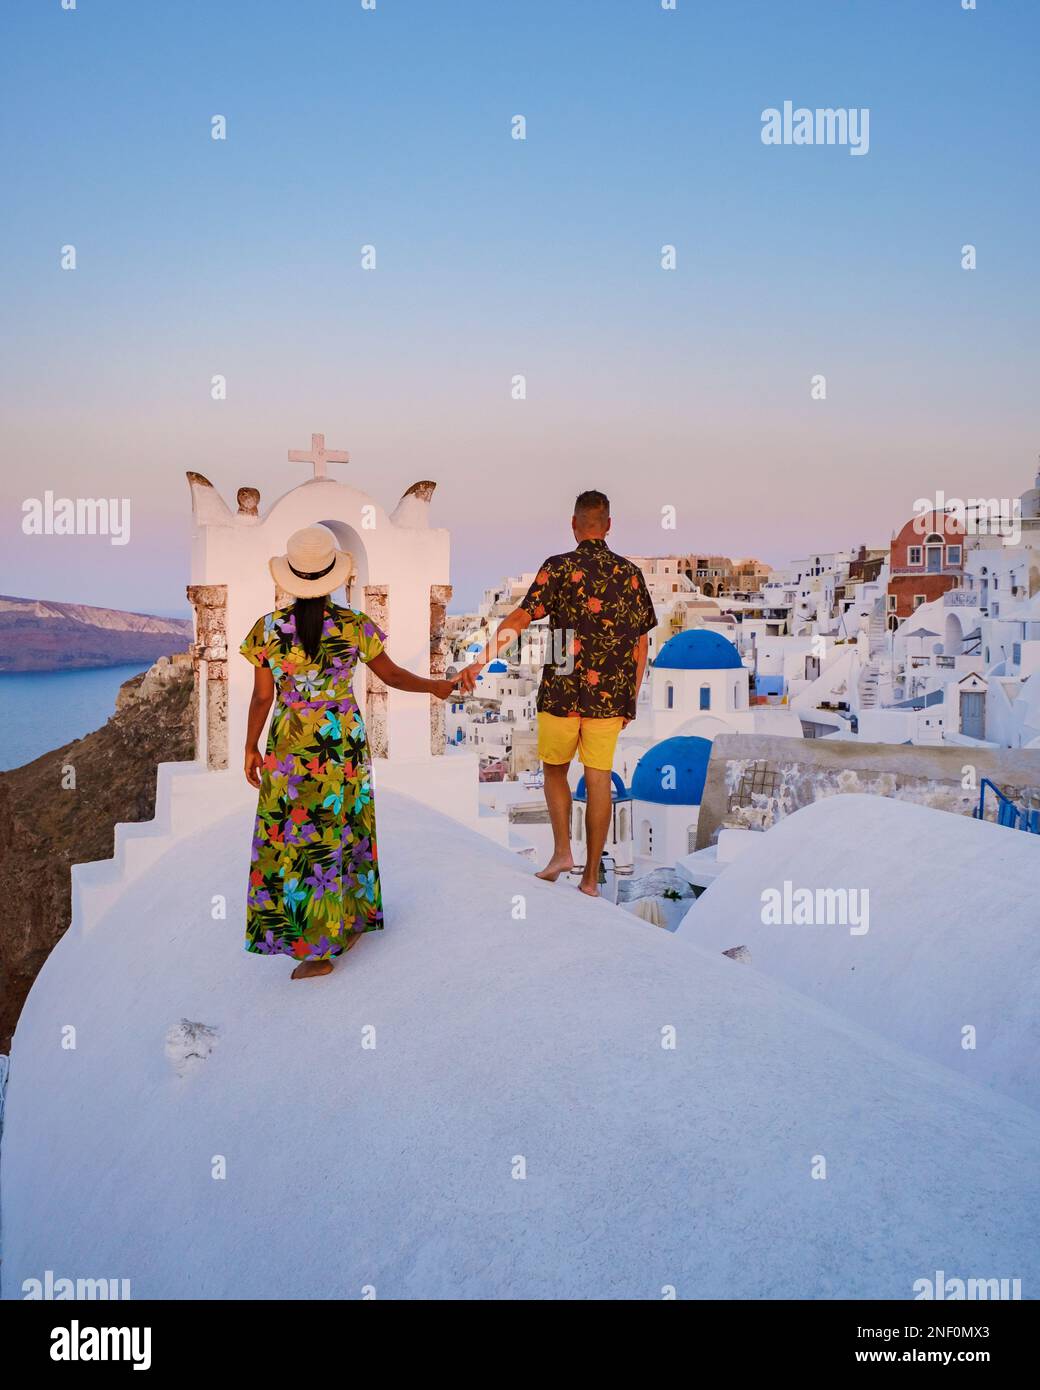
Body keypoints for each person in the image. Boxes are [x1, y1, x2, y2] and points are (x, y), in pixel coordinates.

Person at [241, 525, 459, 979]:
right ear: (333, 576)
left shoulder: (268, 630)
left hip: (289, 743)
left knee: (296, 838)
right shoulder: (354, 626)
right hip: (341, 742)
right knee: (344, 825)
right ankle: (353, 918)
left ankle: (317, 950)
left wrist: (251, 746)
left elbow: (263, 697)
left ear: (291, 577)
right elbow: (394, 676)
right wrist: (434, 686)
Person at [458, 491, 656, 896]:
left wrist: (482, 659)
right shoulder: (630, 574)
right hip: (609, 696)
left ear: (573, 524)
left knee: (554, 770)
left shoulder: (558, 568)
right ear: (608, 525)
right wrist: (629, 696)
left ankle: (563, 852)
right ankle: (589, 881)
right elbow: (641, 646)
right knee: (599, 777)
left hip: (563, 685)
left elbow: (519, 617)